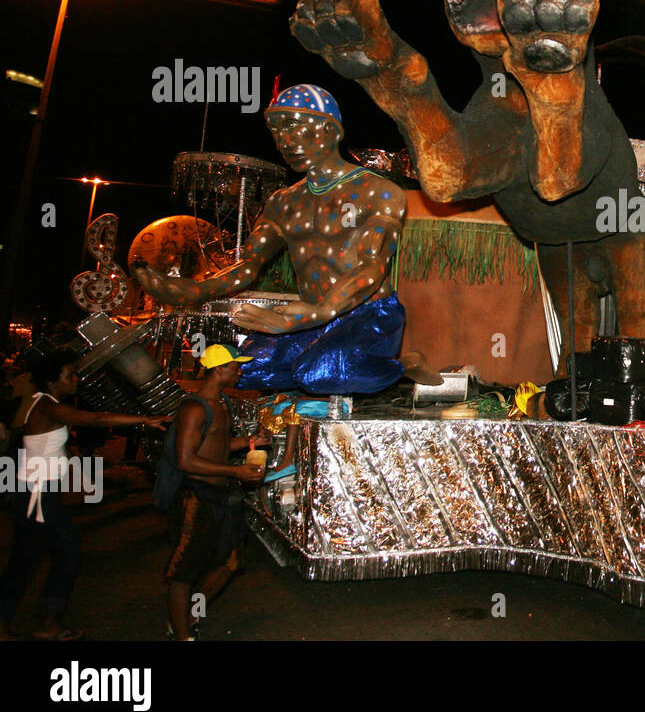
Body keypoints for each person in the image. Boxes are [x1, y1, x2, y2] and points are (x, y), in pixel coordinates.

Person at [133, 83, 435, 395]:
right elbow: (248, 266)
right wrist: (195, 290)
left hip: (368, 313)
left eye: (294, 127)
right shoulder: (284, 202)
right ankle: (316, 364)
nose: (284, 142)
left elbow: (372, 267)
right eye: (276, 130)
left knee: (319, 373)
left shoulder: (378, 191)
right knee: (244, 371)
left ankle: (403, 366)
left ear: (330, 130)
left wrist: (319, 313)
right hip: (309, 315)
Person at [0, 351, 157, 641]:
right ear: (52, 380)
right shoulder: (47, 406)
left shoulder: (47, 404)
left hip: (33, 491)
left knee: (25, 558)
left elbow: (56, 448)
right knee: (67, 552)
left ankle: (20, 623)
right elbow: (96, 418)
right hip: (37, 494)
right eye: (70, 375)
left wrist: (82, 476)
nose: (76, 379)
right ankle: (49, 623)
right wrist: (145, 420)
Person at [165, 344, 268, 640]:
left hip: (221, 494)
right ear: (220, 369)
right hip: (195, 496)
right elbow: (186, 460)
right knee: (183, 571)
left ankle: (187, 615)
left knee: (232, 561)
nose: (240, 371)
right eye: (236, 366)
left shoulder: (222, 403)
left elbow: (218, 444)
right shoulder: (194, 408)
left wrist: (249, 441)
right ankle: (182, 633)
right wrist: (235, 471)